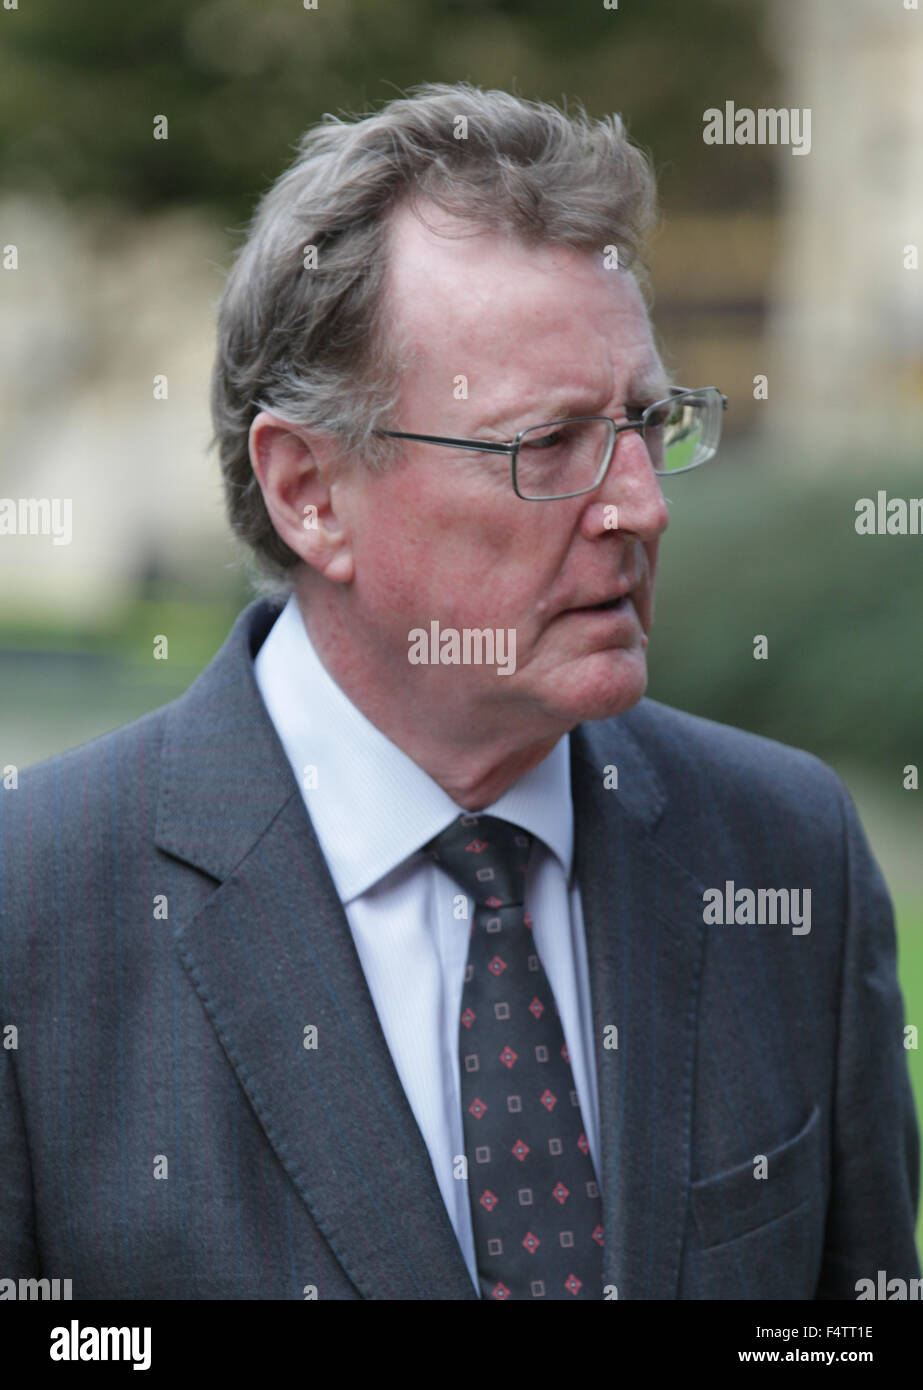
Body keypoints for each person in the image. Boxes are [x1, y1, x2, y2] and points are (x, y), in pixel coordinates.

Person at [0, 82, 918, 1302]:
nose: (639, 503)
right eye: (546, 444)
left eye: (646, 423)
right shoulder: (37, 913)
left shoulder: (781, 852)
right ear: (309, 491)